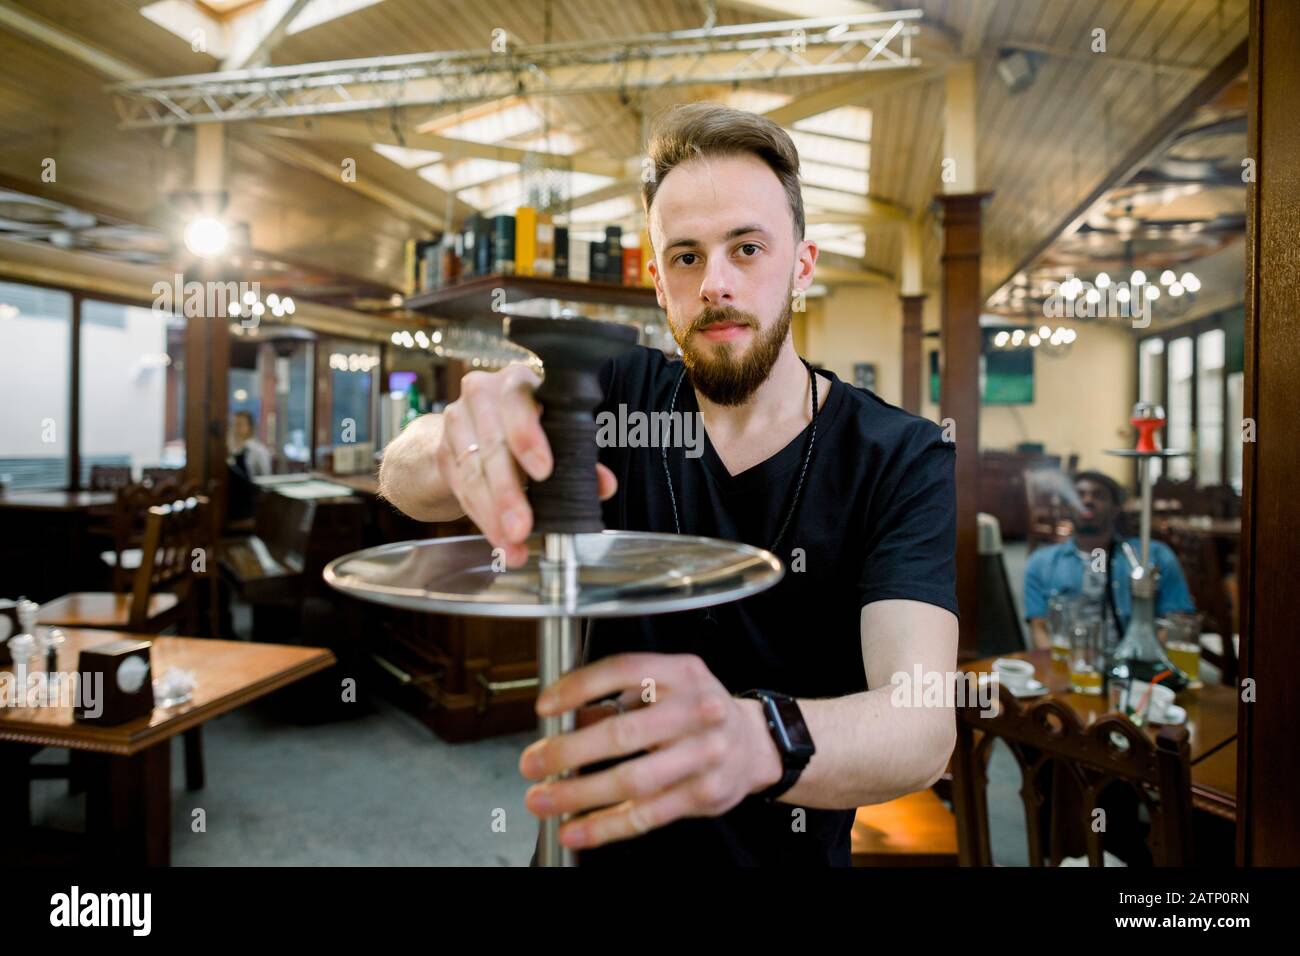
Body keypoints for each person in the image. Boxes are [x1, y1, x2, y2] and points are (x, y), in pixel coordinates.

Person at [379, 103, 958, 866]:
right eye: (685, 257)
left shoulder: (899, 456)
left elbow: (920, 726)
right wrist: (459, 435)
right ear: (658, 284)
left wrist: (755, 738)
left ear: (802, 266)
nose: (715, 283)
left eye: (747, 248)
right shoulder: (610, 396)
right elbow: (399, 475)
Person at [1023, 470, 1196, 649]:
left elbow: (1177, 619)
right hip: (1072, 666)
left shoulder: (1153, 555)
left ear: (1115, 508)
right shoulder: (1041, 563)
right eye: (1079, 495)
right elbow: (1039, 628)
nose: (1088, 501)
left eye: (1098, 495)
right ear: (1067, 508)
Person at [228, 410, 272, 478]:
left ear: (250, 427)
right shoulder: (232, 449)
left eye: (239, 424)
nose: (235, 428)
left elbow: (266, 476)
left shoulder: (259, 450)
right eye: (234, 424)